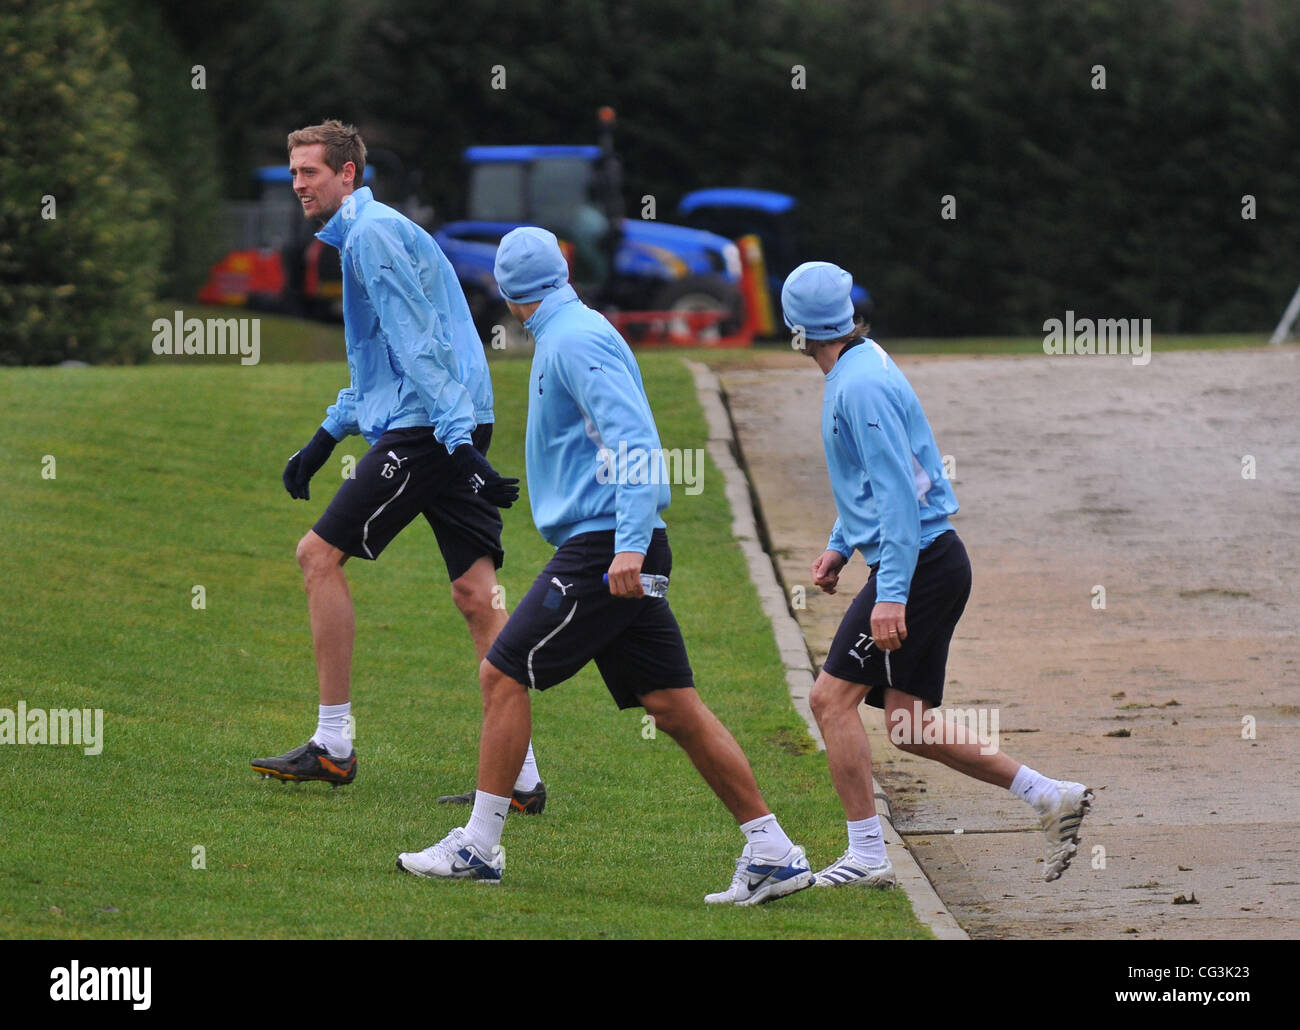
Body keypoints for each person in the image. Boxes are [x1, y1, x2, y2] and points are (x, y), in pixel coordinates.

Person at [396, 227, 811, 906]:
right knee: (672, 706)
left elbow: (635, 440)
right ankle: (772, 849)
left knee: (502, 672)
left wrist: (627, 544)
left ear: (506, 291)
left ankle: (477, 845)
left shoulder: (573, 339)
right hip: (612, 542)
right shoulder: (572, 328)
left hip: (606, 548)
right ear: (562, 270)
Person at [250, 121, 547, 812]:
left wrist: (459, 446)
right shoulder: (364, 234)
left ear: (348, 175)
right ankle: (523, 779)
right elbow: (381, 355)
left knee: (317, 555)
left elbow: (420, 346)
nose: (298, 185)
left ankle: (333, 747)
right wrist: (328, 435)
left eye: (311, 173)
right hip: (443, 417)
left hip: (429, 425)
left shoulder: (373, 235)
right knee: (477, 596)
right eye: (293, 173)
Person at [783, 261, 1093, 887]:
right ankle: (1048, 795)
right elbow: (875, 485)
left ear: (796, 329)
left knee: (829, 701)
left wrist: (890, 593)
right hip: (931, 558)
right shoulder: (860, 366)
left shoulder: (858, 384)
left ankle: (868, 856)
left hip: (919, 565)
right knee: (909, 725)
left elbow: (899, 494)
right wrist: (841, 545)